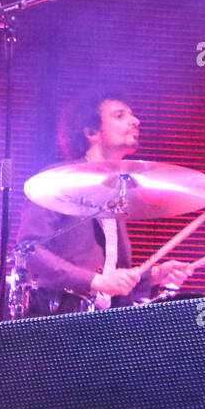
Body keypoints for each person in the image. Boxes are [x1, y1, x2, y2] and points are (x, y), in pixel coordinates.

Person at [17, 93, 190, 313]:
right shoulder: (59, 180)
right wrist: (94, 281)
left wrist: (153, 276)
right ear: (91, 132)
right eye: (120, 116)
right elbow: (29, 252)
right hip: (58, 320)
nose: (135, 121)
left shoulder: (115, 191)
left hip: (101, 324)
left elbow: (111, 278)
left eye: (132, 115)